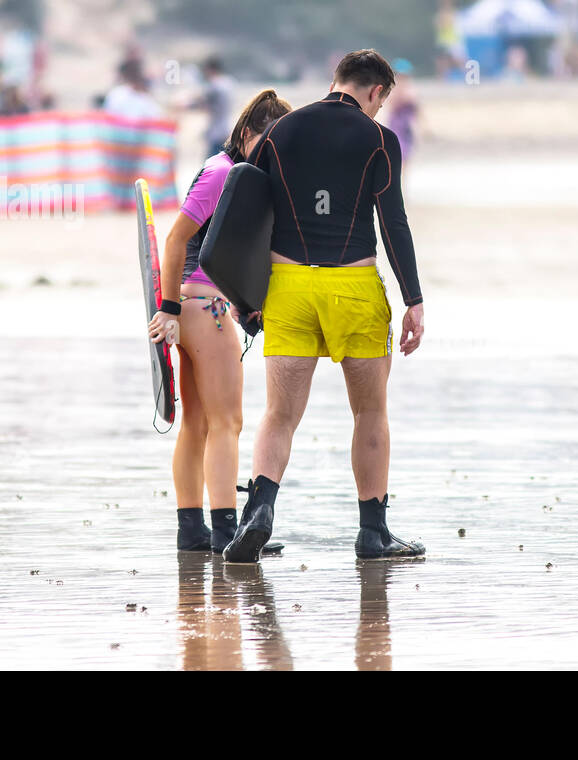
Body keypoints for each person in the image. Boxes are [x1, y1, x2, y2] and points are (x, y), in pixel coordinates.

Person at [223, 49, 426, 563]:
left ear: (336, 80)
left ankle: (259, 511)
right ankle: (373, 533)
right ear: (376, 92)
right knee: (370, 412)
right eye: (381, 101)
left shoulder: (279, 132)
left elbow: (249, 214)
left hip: (289, 287)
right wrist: (413, 300)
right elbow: (393, 223)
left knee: (279, 415)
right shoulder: (380, 139)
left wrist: (247, 295)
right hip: (353, 288)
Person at [147, 90, 293, 553]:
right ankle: (228, 532)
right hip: (202, 310)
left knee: (198, 424)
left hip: (199, 307)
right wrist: (168, 309)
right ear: (247, 133)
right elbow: (175, 239)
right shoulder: (222, 173)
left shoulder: (227, 172)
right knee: (228, 422)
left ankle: (193, 530)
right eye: (268, 143)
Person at [192, 55, 234, 158]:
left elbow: (199, 102)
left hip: (216, 134)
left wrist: (180, 105)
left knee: (210, 165)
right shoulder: (229, 83)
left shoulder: (215, 85)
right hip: (227, 131)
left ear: (210, 69)